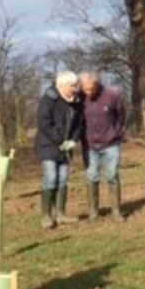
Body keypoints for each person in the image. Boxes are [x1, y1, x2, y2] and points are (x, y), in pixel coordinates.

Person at [35, 70, 84, 229]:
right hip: (49, 146)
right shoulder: (48, 100)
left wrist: (73, 140)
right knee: (50, 178)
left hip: (65, 148)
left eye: (76, 85)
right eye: (72, 85)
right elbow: (44, 124)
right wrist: (60, 140)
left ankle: (61, 214)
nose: (76, 88)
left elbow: (80, 124)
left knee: (63, 180)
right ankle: (46, 216)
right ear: (62, 86)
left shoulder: (76, 102)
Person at [79, 71, 127, 221]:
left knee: (112, 175)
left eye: (91, 89)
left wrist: (116, 131)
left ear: (97, 84)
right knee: (92, 176)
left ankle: (116, 210)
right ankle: (93, 211)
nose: (88, 92)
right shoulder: (80, 98)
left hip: (111, 143)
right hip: (90, 144)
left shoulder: (112, 95)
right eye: (85, 89)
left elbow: (121, 115)